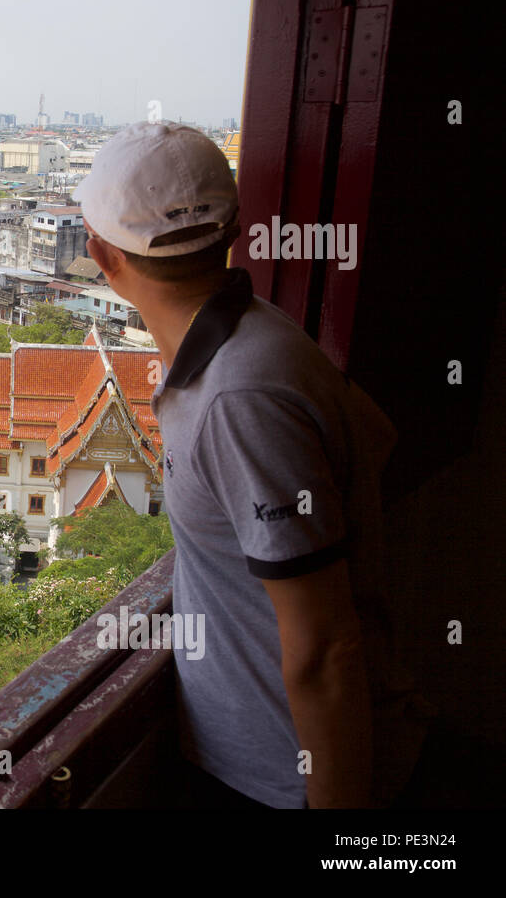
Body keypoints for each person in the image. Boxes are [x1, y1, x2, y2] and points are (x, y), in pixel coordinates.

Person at [74, 121, 431, 808]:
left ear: (101, 256)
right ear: (234, 227)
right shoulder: (258, 328)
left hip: (283, 777)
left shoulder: (236, 396)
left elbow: (327, 646)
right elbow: (377, 435)